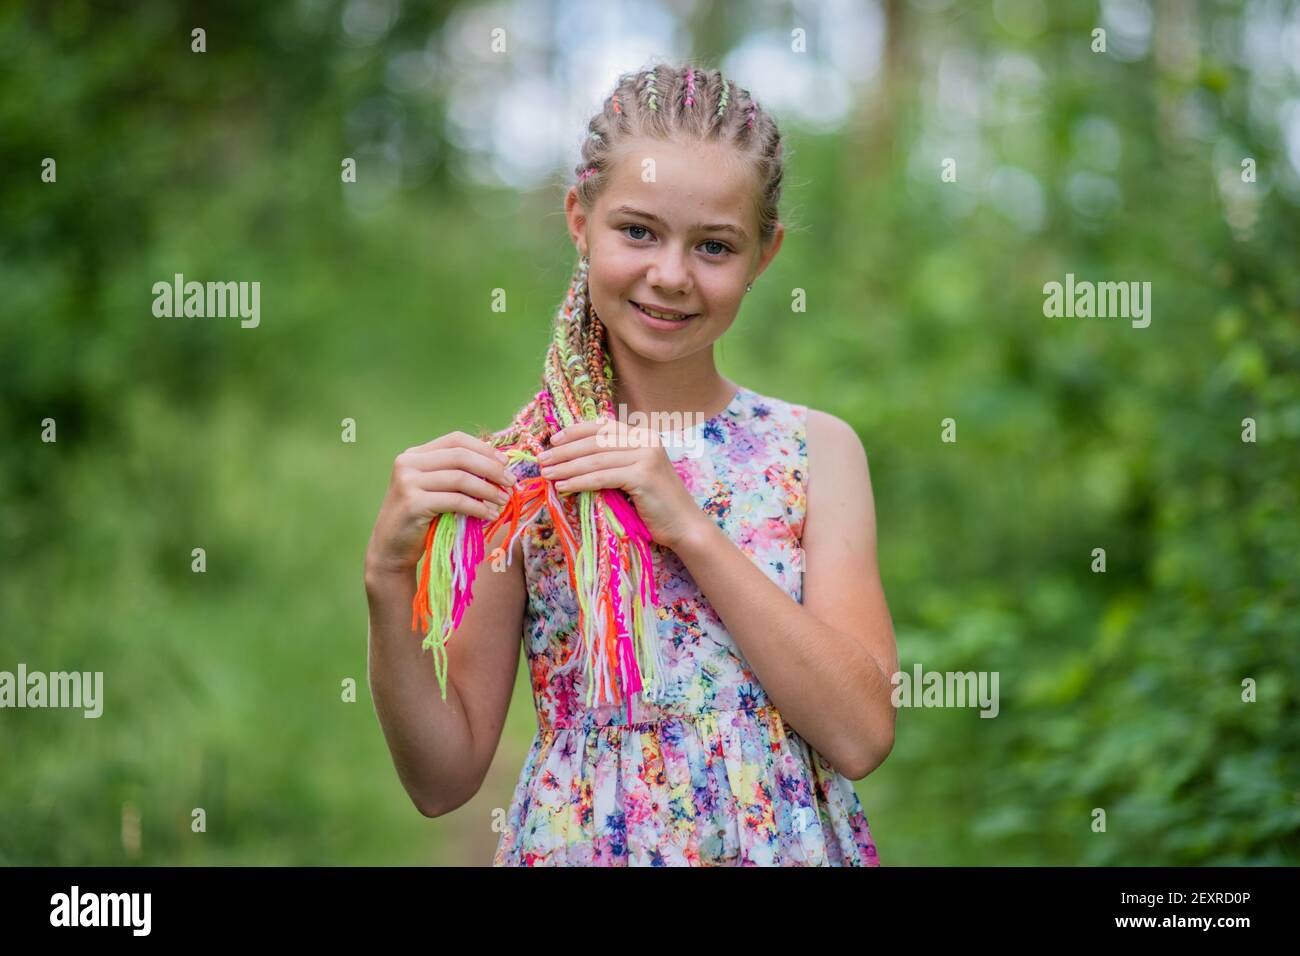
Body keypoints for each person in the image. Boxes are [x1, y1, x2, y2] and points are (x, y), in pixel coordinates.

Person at [364, 60, 898, 866]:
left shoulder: (814, 452)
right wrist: (386, 578)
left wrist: (688, 525)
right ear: (580, 219)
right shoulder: (528, 479)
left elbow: (860, 733)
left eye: (714, 245)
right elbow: (442, 780)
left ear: (763, 256)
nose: (671, 275)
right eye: (638, 231)